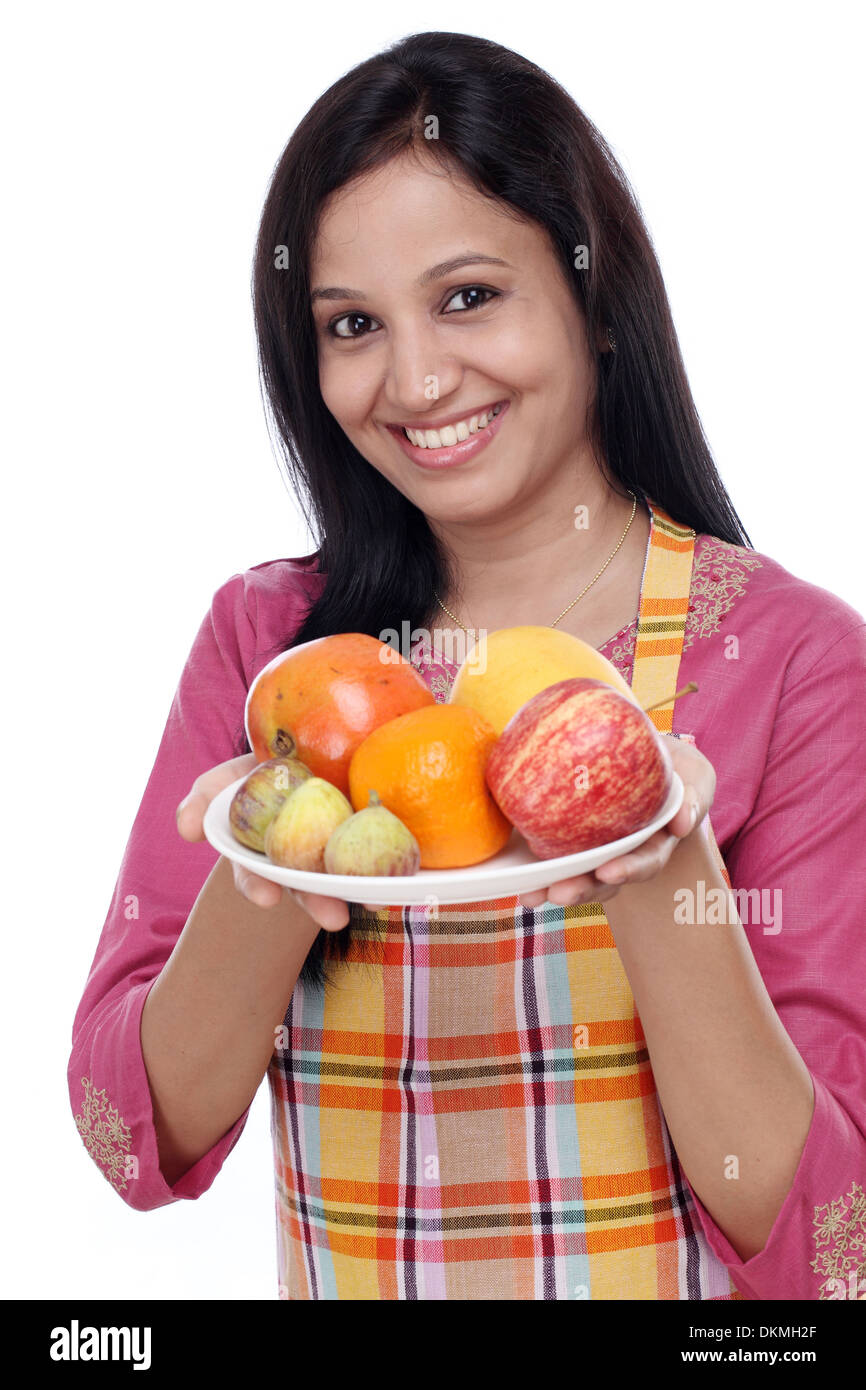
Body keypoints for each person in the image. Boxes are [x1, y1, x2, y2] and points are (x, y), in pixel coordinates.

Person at [68, 31, 866, 1301]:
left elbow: (836, 1246)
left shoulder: (784, 660)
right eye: (351, 323)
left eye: (466, 296)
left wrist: (662, 876)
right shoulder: (269, 654)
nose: (419, 377)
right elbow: (128, 1139)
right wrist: (266, 872)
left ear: (595, 301)